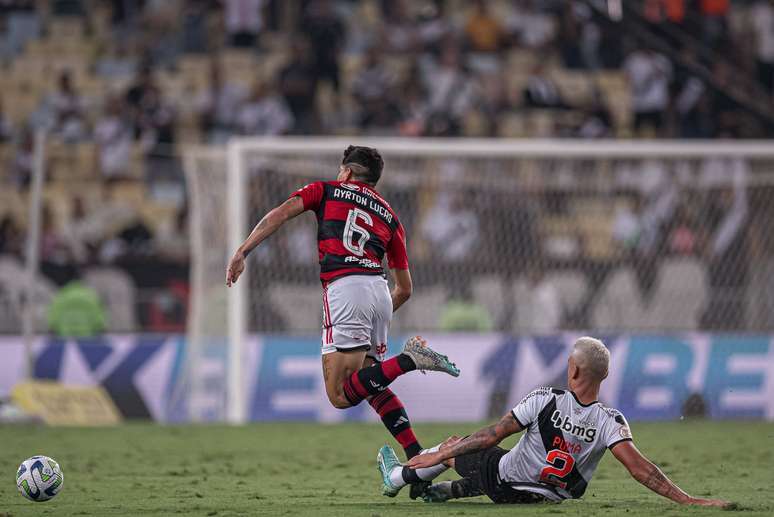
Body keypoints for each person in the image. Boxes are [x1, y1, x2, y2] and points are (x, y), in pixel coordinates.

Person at [226, 146, 460, 486]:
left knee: (338, 395)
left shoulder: (325, 190)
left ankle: (409, 359)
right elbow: (405, 289)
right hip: (380, 292)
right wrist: (374, 315)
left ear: (347, 172)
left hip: (345, 287)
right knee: (370, 383)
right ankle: (416, 457)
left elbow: (278, 215)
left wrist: (242, 251)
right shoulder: (390, 216)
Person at [377, 337, 731, 509]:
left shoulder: (545, 398)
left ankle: (396, 479)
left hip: (506, 485)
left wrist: (441, 454)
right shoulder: (611, 420)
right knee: (498, 463)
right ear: (605, 376)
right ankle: (442, 491)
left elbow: (491, 435)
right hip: (545, 499)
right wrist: (687, 499)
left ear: (573, 370)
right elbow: (642, 470)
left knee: (460, 444)